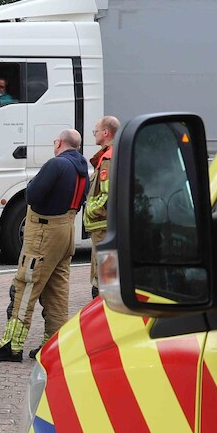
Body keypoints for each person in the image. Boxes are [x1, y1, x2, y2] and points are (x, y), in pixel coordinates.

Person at [0, 129, 88, 362]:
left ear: (59, 142)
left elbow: (33, 195)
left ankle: (12, 345)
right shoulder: (83, 170)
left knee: (26, 285)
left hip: (44, 233)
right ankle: (54, 345)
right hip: (67, 230)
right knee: (57, 291)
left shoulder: (56, 165)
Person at [84, 116, 119, 298]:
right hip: (106, 227)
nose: (94, 135)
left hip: (103, 228)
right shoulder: (115, 154)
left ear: (106, 133)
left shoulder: (108, 158)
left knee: (104, 281)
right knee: (109, 278)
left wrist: (90, 210)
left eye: (96, 131)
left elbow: (107, 196)